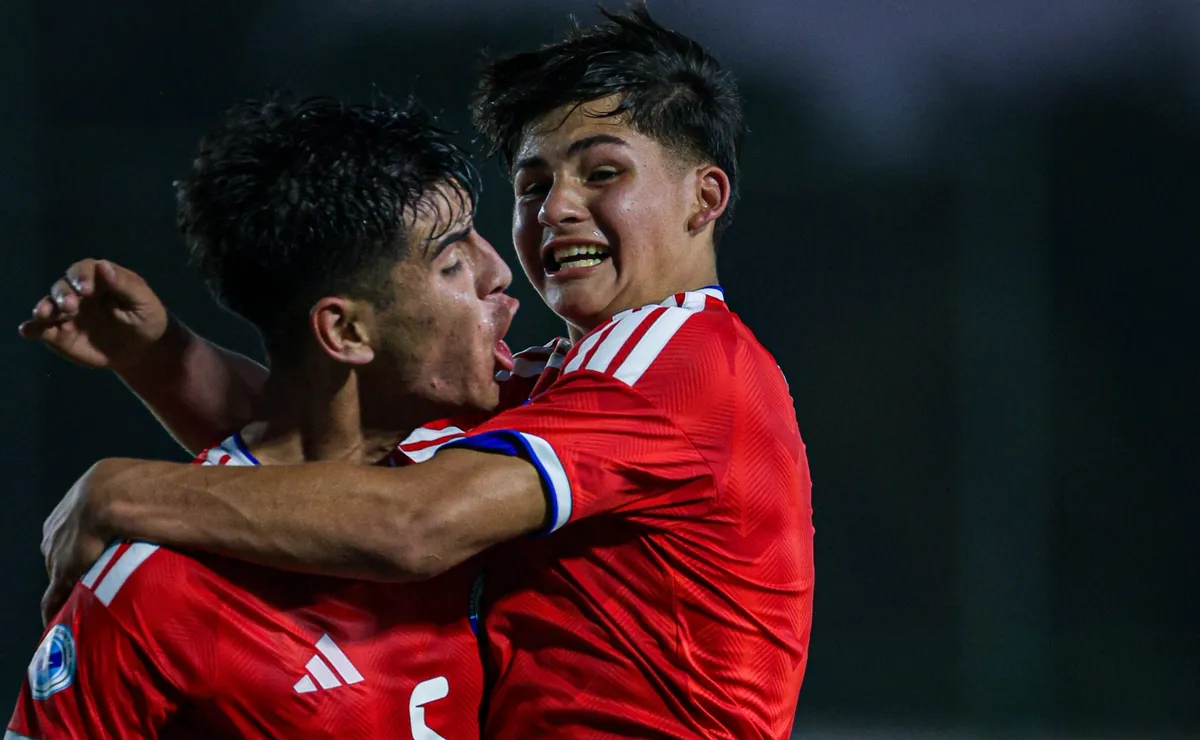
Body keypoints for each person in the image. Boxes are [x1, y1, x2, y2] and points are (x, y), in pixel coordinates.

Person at [33, 5, 815, 738]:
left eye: (602, 172)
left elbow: (415, 521)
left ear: (704, 196)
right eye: (533, 184)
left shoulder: (675, 368)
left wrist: (121, 492)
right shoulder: (574, 383)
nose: (555, 209)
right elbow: (342, 441)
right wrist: (163, 359)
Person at [10, 94, 525, 738]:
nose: (498, 271)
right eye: (452, 261)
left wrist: (161, 372)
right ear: (345, 331)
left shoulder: (496, 465)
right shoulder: (151, 592)